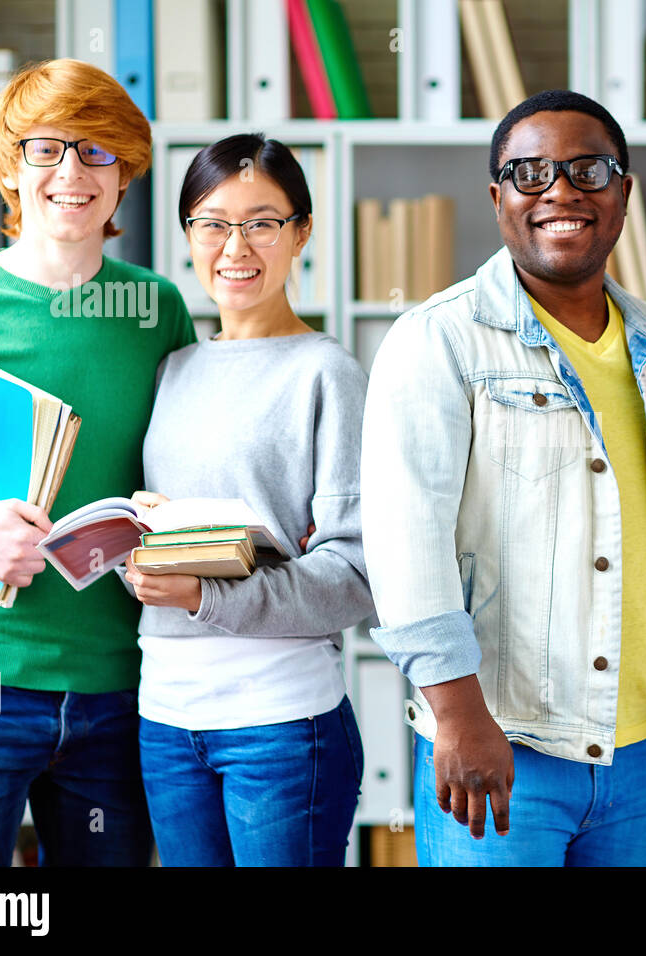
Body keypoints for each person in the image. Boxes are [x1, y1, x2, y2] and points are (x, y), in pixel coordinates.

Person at [359, 89, 646, 866]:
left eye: (587, 169)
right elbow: (403, 542)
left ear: (623, 192)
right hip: (500, 740)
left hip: (644, 750)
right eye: (529, 172)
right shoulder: (436, 341)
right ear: (498, 199)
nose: (559, 190)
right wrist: (457, 716)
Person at [0, 59, 195, 866]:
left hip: (120, 688)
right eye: (46, 149)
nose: (72, 172)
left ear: (125, 175)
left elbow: (184, 470)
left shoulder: (155, 307)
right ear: (7, 165)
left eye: (98, 151)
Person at [122, 133, 373, 867]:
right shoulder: (172, 370)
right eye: (211, 223)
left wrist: (205, 594)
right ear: (188, 237)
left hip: (279, 725)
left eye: (262, 222)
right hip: (165, 720)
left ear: (301, 232)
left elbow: (355, 579)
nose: (236, 246)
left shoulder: (328, 373)